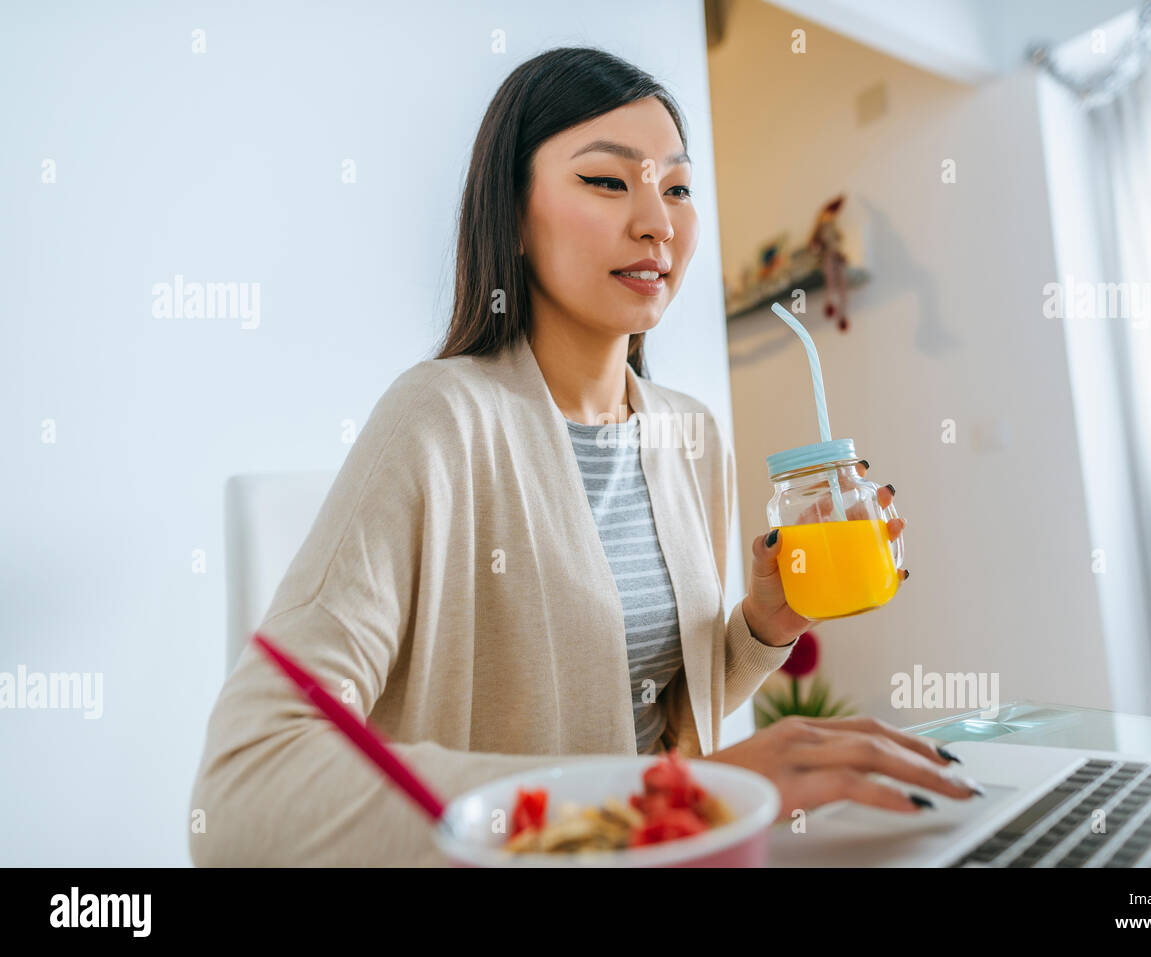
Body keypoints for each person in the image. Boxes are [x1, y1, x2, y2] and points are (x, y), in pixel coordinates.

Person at [188, 46, 978, 867]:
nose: (659, 222)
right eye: (608, 181)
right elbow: (245, 786)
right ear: (513, 217)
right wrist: (657, 799)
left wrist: (761, 627)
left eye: (677, 188)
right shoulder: (438, 419)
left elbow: (651, 717)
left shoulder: (690, 432)